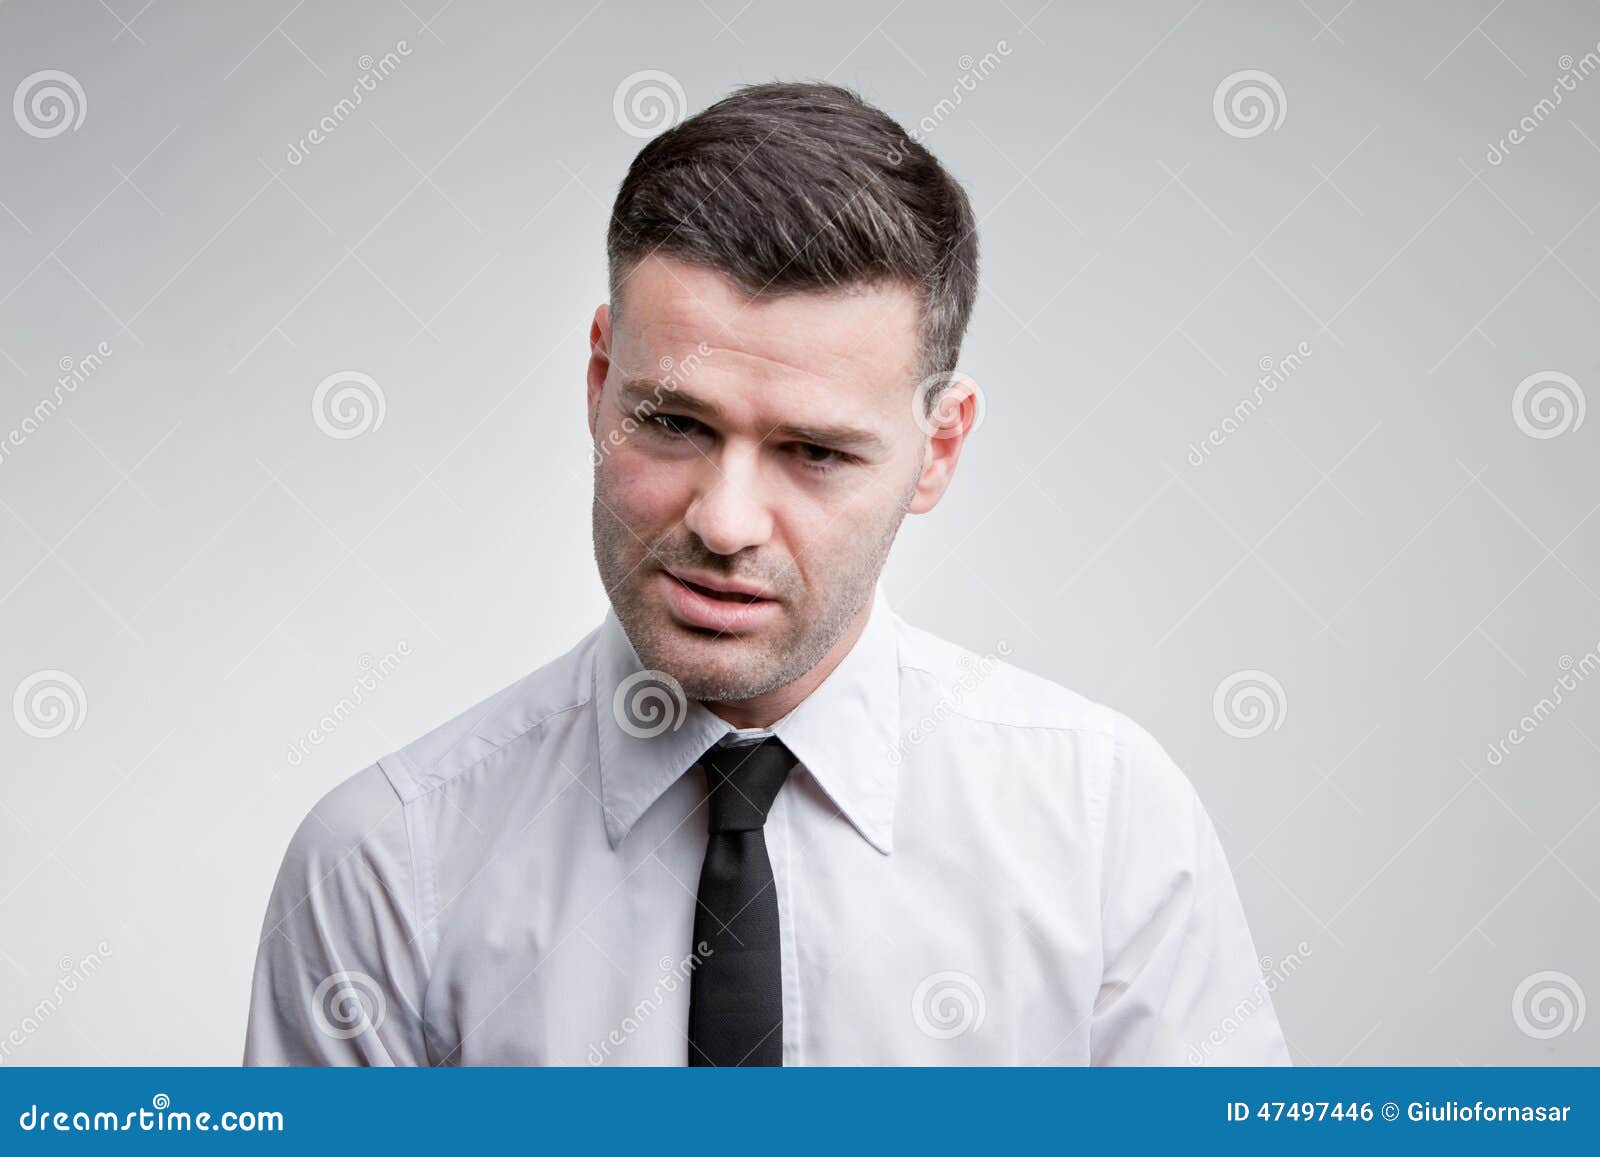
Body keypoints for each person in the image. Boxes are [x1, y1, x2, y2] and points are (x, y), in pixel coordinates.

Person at [244, 80, 1290, 1067]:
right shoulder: (386, 862)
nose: (725, 522)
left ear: (939, 449)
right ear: (600, 381)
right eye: (671, 421)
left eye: (815, 452)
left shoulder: (1109, 825)